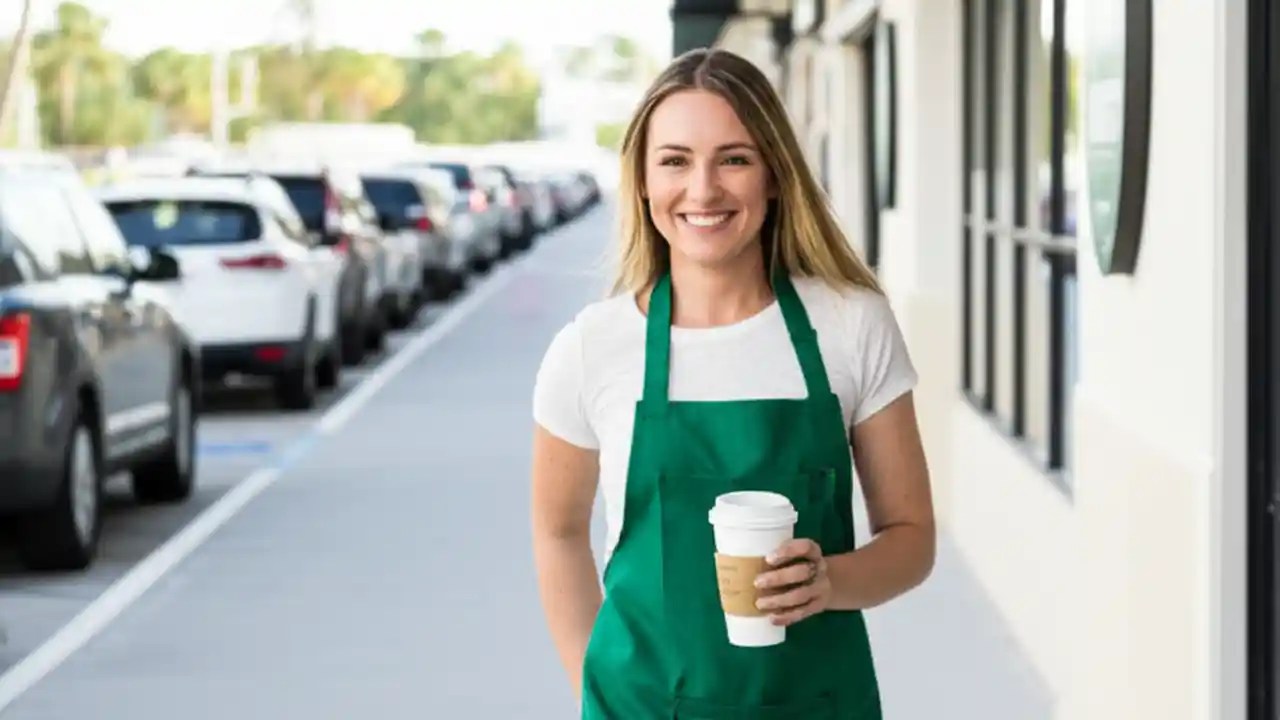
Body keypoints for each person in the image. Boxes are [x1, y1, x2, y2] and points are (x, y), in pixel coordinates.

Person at [530, 47, 935, 719]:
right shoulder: (590, 348)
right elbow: (558, 532)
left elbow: (912, 536)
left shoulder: (850, 324)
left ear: (774, 176)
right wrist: (595, 692)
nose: (703, 190)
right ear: (641, 180)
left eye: (734, 158)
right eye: (675, 160)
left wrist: (830, 580)